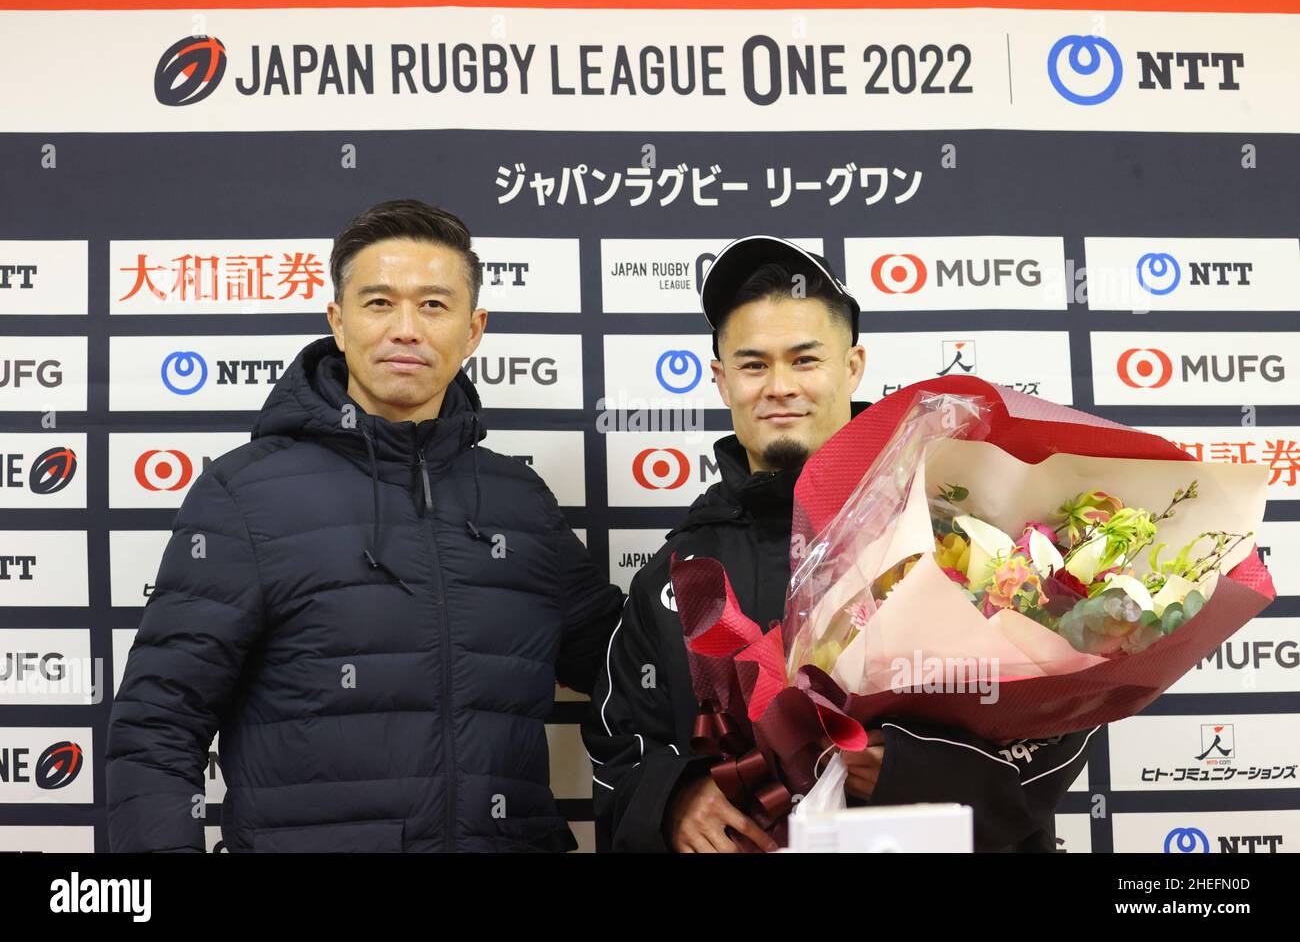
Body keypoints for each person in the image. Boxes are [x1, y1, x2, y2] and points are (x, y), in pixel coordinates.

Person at [107, 198, 623, 852]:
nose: (406, 328)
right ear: (338, 322)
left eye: (434, 305)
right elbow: (158, 724)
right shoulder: (245, 494)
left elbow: (624, 660)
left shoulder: (519, 501)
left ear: (474, 330)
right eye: (379, 303)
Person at [582, 235, 1095, 853]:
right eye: (753, 365)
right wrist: (675, 798)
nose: (779, 386)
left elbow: (1065, 715)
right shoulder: (677, 573)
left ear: (852, 367)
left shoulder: (957, 520)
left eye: (805, 360)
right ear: (721, 380)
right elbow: (617, 740)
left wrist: (919, 772)